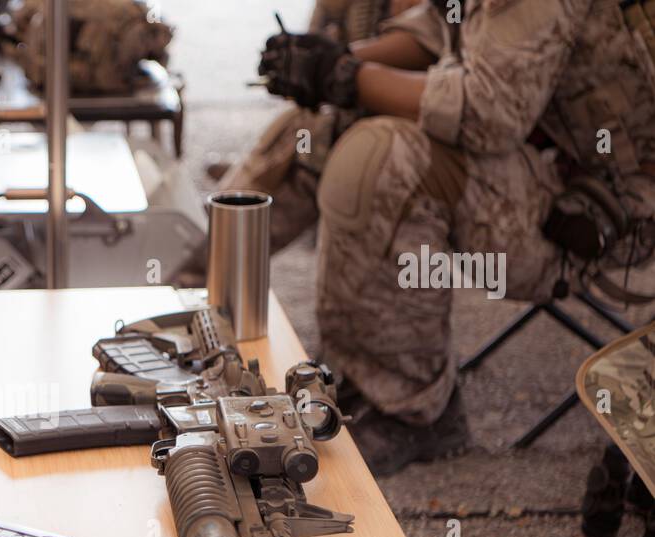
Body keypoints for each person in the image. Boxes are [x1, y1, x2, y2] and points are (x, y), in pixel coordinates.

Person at [256, 0, 655, 475]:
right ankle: (201, 289)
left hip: (610, 216)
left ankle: (413, 408)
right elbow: (443, 24)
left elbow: (485, 112)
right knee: (321, 123)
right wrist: (333, 60)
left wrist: (346, 75)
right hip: (554, 163)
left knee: (383, 158)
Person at [217, 0, 426, 249]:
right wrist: (322, 63)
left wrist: (335, 68)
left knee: (308, 145)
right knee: (293, 131)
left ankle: (219, 250)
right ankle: (222, 226)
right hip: (348, 112)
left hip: (403, 127)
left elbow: (432, 43)